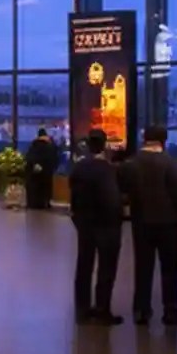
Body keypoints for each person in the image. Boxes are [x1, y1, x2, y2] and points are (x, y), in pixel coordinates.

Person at [118, 125, 177, 326]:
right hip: (169, 224)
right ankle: (171, 311)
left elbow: (123, 192)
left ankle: (141, 310)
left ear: (145, 139)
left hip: (141, 222)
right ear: (164, 141)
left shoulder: (129, 165)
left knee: (143, 267)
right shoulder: (174, 165)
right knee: (170, 269)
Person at [68, 129, 124, 326]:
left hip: (85, 223)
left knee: (84, 265)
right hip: (107, 224)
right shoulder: (108, 170)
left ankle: (82, 309)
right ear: (104, 145)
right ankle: (102, 308)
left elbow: (73, 195)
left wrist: (77, 217)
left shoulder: (79, 168)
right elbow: (112, 198)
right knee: (107, 267)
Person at [24, 128, 60, 209]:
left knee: (34, 189)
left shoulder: (33, 146)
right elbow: (54, 158)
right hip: (46, 172)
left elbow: (28, 159)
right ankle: (45, 203)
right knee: (45, 188)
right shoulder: (50, 146)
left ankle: (33, 203)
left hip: (33, 174)